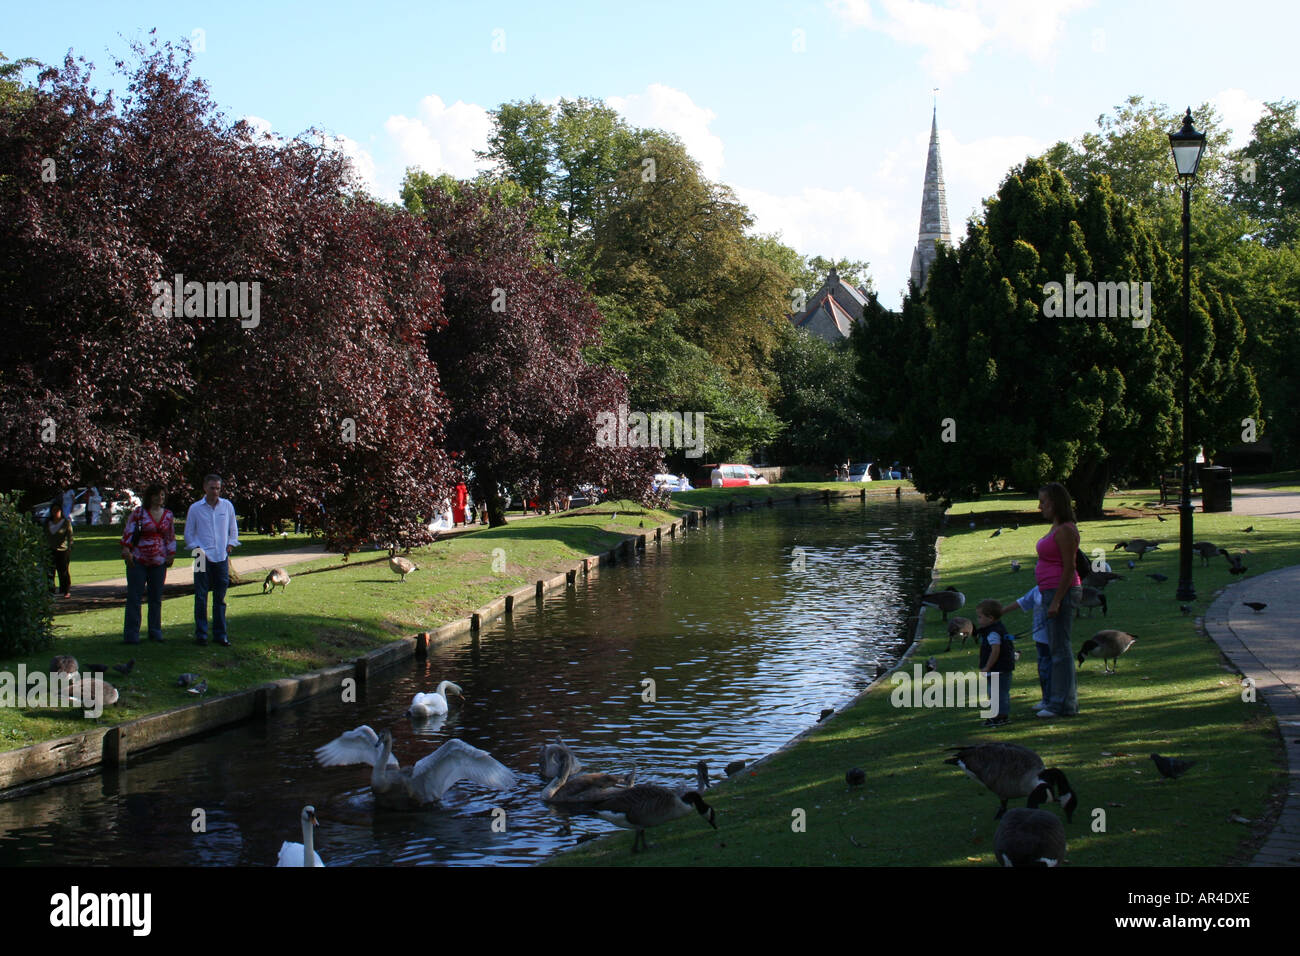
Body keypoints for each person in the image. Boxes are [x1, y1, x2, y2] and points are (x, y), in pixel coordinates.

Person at [1035, 481, 1082, 717]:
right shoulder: (1056, 527)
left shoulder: (1065, 530)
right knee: (1054, 648)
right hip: (1049, 591)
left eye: (1044, 502)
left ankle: (1062, 704)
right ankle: (1055, 699)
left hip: (1060, 592)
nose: (1040, 506)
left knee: (1060, 650)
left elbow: (1069, 567)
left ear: (1055, 503)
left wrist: (1056, 601)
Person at [184, 474, 239, 647]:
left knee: (220, 596)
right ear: (205, 488)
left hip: (221, 556)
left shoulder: (227, 506)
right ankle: (201, 633)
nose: (215, 491)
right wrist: (196, 547)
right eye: (212, 488)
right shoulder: (195, 508)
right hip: (201, 556)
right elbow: (188, 533)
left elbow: (233, 529)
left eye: (218, 488)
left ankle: (220, 634)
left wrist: (230, 544)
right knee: (201, 595)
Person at [121, 484, 176, 644]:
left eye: (163, 496)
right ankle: (132, 634)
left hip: (159, 560)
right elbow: (129, 531)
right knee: (134, 597)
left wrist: (171, 554)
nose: (161, 498)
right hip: (138, 559)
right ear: (150, 497)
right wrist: (126, 550)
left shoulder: (168, 515)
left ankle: (155, 630)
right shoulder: (139, 513)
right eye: (158, 495)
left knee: (156, 598)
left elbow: (170, 536)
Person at [1002, 584, 1050, 711]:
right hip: (1040, 637)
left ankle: (1053, 701)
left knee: (1051, 669)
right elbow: (1023, 601)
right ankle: (1047, 699)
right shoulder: (1038, 588)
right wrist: (1001, 612)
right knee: (1044, 669)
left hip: (1054, 637)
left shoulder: (1056, 588)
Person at [974, 598, 1013, 727]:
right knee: (998, 692)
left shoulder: (993, 633)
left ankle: (999, 716)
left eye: (980, 617)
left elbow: (995, 650)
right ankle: (999, 714)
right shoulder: (998, 628)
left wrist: (987, 666)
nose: (978, 620)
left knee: (998, 693)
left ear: (990, 618)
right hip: (1002, 667)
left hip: (998, 668)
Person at [45, 502, 74, 597]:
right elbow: (43, 536)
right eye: (54, 510)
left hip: (62, 550)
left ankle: (66, 590)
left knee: (63, 571)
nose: (56, 512)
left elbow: (70, 536)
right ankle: (51, 590)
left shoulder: (66, 523)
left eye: (57, 510)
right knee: (50, 571)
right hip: (50, 550)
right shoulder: (47, 523)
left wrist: (69, 547)